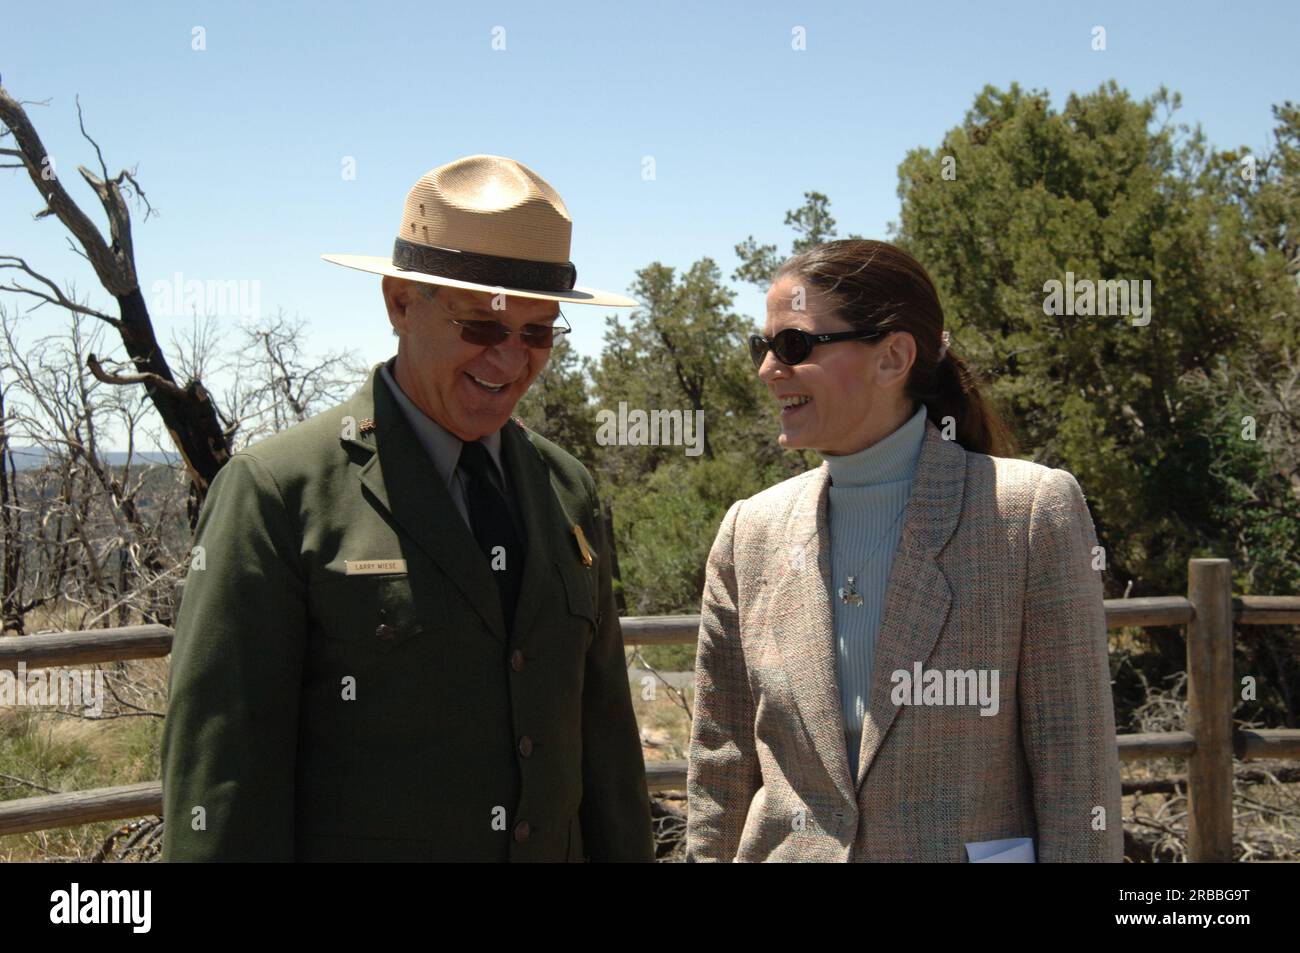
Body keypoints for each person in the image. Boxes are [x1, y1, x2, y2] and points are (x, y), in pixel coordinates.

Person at [161, 155, 654, 862]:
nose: (511, 361)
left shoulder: (565, 487)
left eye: (537, 333)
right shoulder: (277, 493)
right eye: (482, 327)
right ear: (399, 303)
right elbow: (226, 778)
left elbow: (606, 749)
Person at [686, 239, 1123, 862]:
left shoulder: (1028, 514)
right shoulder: (749, 531)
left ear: (892, 357)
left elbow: (1077, 768)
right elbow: (721, 760)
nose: (767, 370)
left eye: (794, 345)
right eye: (763, 347)